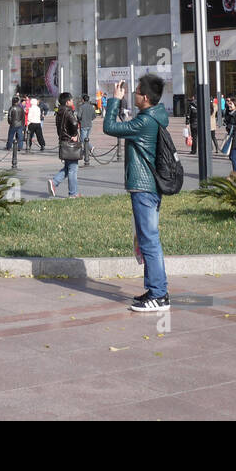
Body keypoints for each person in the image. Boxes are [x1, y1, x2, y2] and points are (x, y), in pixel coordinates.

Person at [104, 76, 170, 313]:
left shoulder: (145, 121)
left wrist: (115, 100)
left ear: (146, 98)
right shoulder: (154, 117)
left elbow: (110, 127)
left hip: (144, 188)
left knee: (149, 241)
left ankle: (159, 295)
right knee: (147, 240)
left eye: (137, 92)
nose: (134, 95)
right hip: (149, 187)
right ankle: (155, 291)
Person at [49, 92, 82, 197]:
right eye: (71, 100)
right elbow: (74, 123)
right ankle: (73, 193)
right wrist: (75, 134)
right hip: (70, 142)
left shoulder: (59, 112)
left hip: (63, 141)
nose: (73, 102)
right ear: (67, 101)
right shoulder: (68, 111)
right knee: (73, 169)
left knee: (68, 167)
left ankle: (54, 182)